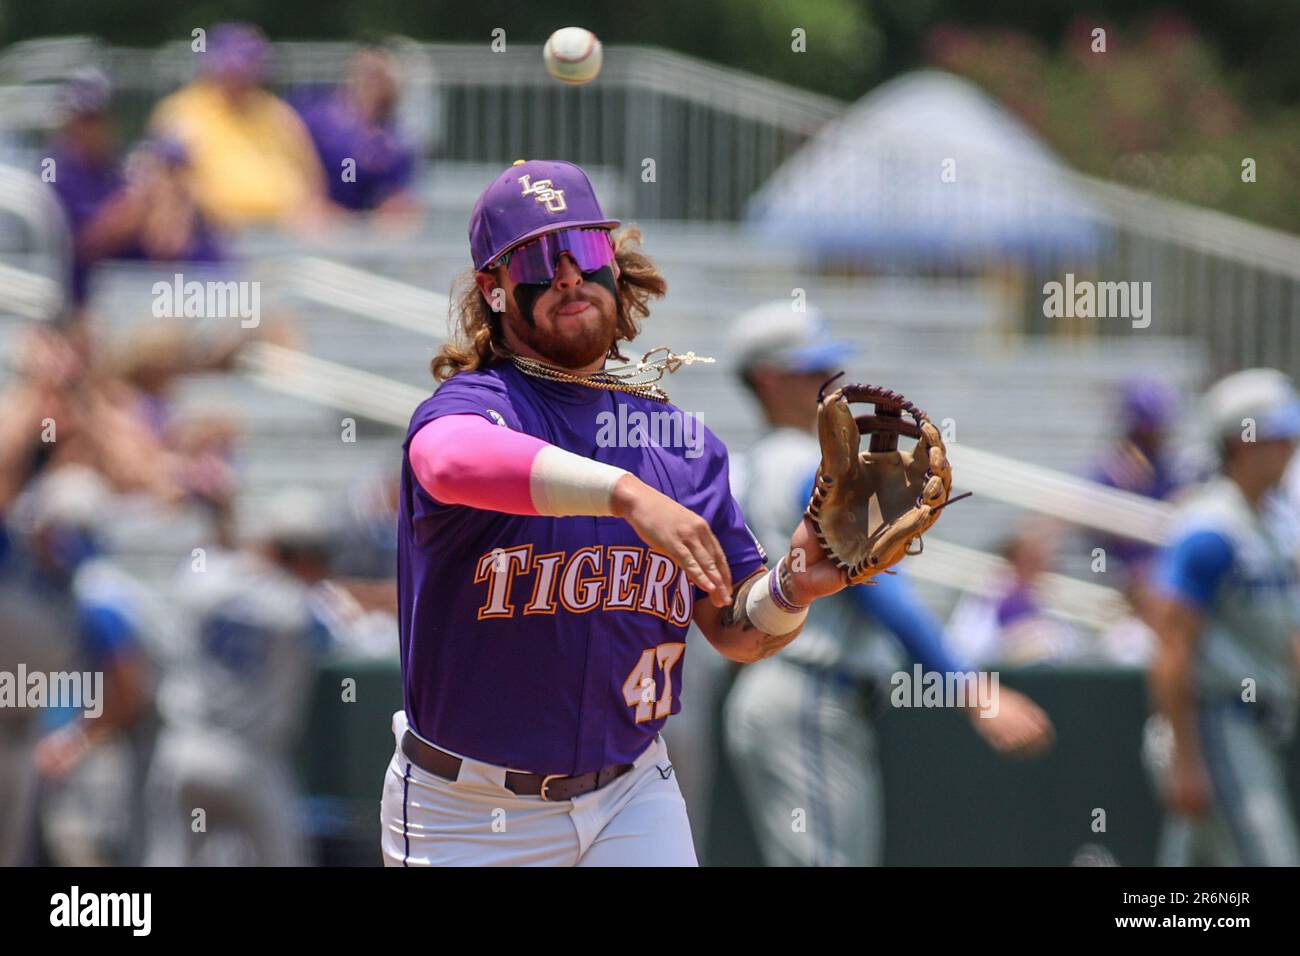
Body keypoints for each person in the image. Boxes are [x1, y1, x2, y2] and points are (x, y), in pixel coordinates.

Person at [380, 160, 855, 867]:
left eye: (588, 249)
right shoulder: (480, 406)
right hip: (470, 812)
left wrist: (794, 589)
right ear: (496, 290)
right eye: (540, 256)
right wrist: (622, 492)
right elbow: (447, 461)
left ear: (615, 266)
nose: (569, 273)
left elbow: (735, 629)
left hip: (633, 795)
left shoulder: (680, 444)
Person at [720, 300, 1055, 866]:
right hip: (806, 686)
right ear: (768, 379)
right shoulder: (806, 464)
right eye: (810, 370)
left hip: (802, 691)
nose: (829, 383)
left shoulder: (765, 463)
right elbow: (879, 591)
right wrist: (969, 689)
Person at [1148, 368, 1300, 866]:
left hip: (1259, 724)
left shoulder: (1270, 525)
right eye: (1279, 436)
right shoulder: (1211, 528)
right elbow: (1171, 646)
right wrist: (1186, 761)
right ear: (1243, 442)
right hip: (1218, 724)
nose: (1290, 448)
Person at [145, 489, 342, 866]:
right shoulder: (298, 611)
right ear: (299, 555)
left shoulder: (200, 579)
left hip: (182, 748)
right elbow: (329, 634)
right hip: (250, 761)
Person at [150, 22, 329, 231]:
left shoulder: (279, 113)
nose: (242, 76)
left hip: (288, 232)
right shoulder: (181, 111)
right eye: (233, 67)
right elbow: (167, 181)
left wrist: (312, 208)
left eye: (250, 66)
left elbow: (313, 177)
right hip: (214, 235)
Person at [296, 43, 417, 218]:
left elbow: (396, 194)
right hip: (320, 214)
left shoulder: (395, 138)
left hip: (364, 222)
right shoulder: (319, 119)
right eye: (368, 74)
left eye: (380, 77)